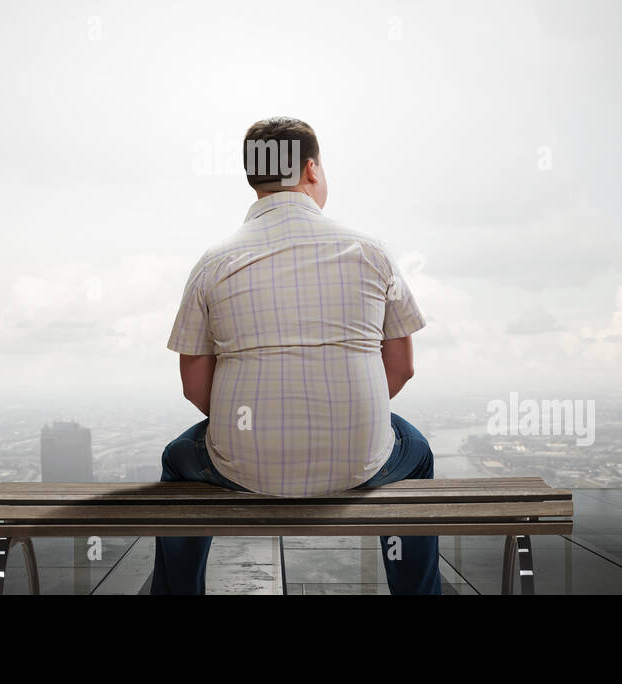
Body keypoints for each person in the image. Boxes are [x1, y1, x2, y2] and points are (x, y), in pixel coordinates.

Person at [152, 116, 440, 594]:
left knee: (177, 459)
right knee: (419, 452)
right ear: (311, 170)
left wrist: (244, 421)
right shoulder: (370, 251)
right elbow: (403, 367)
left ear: (254, 176)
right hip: (362, 464)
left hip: (240, 467)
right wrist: (352, 413)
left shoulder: (213, 261)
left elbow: (194, 385)